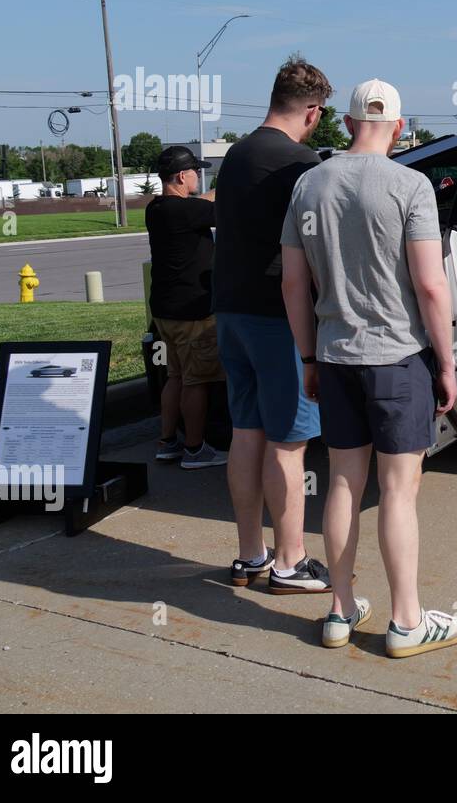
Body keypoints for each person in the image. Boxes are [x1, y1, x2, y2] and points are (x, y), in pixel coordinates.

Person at [281, 79, 457, 657]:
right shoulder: (411, 185)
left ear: (344, 124)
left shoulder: (308, 186)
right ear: (400, 126)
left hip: (336, 358)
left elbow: (294, 282)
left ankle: (339, 611)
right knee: (397, 493)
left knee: (341, 483)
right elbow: (431, 286)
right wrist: (446, 363)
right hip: (397, 360)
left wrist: (309, 356)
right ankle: (407, 622)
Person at [214, 54, 335, 592]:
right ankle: (290, 562)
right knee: (288, 442)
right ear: (311, 111)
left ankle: (250, 556)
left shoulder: (235, 156)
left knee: (246, 433)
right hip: (277, 316)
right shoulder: (299, 164)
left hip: (231, 311)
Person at [145, 146, 226, 470]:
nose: (198, 176)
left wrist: (213, 193)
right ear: (182, 175)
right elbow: (223, 209)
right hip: (192, 311)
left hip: (164, 310)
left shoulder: (158, 208)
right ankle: (195, 449)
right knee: (197, 381)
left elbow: (201, 202)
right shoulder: (186, 212)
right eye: (194, 171)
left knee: (175, 376)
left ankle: (168, 441)